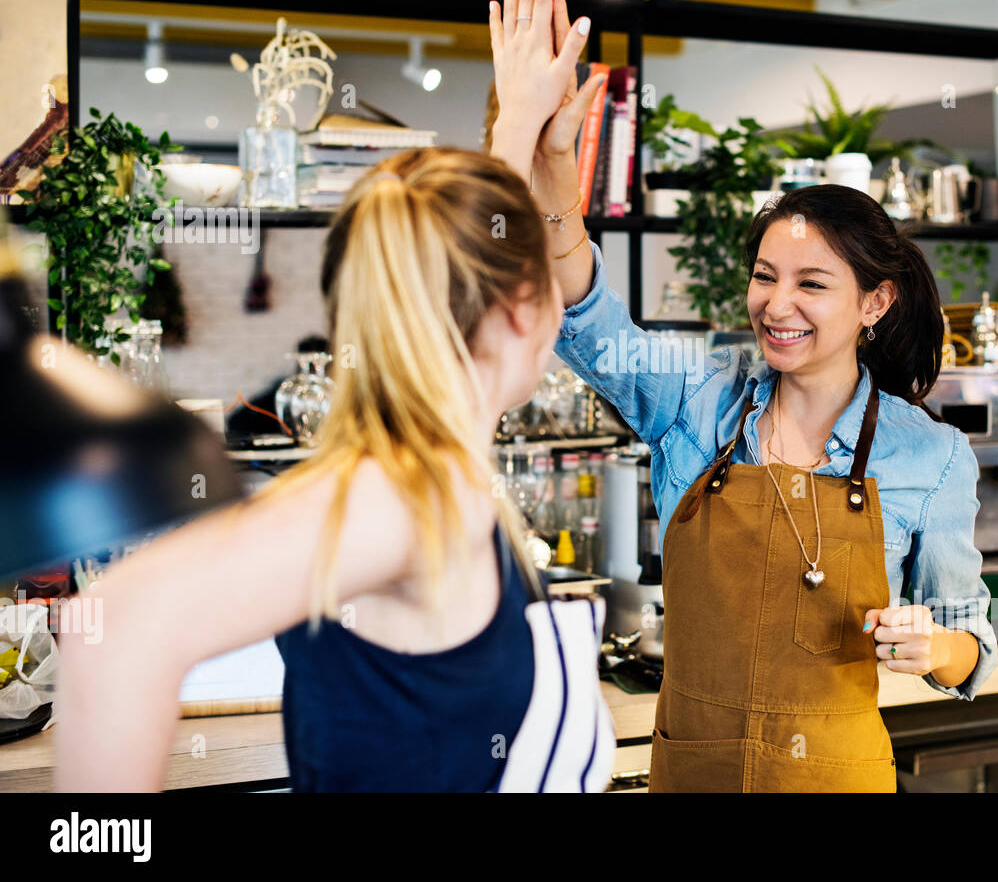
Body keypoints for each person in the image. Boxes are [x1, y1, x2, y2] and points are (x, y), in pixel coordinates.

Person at [489, 0, 997, 792]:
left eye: (811, 284)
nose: (776, 303)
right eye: (765, 276)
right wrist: (549, 175)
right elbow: (587, 316)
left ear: (874, 304)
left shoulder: (930, 458)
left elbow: (969, 642)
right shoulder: (696, 396)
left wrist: (932, 644)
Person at [55, 142, 614, 791]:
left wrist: (524, 127)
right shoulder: (412, 494)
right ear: (524, 303)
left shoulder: (426, 480)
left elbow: (468, 237)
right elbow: (116, 629)